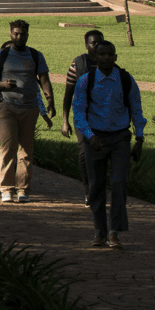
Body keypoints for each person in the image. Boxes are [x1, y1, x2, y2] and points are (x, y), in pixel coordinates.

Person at [73, 40, 145, 249]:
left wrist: (139, 139)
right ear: (94, 58)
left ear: (115, 57)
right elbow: (79, 112)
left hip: (120, 138)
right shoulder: (86, 81)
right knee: (96, 186)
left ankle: (114, 232)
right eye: (101, 54)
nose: (105, 58)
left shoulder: (125, 80)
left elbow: (136, 110)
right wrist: (89, 135)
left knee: (119, 183)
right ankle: (99, 232)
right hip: (95, 139)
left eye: (109, 54)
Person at [0, 19, 55, 202]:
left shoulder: (35, 55)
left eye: (23, 34)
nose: (19, 37)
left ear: (27, 35)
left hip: (29, 107)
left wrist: (50, 100)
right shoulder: (1, 55)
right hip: (7, 107)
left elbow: (44, 80)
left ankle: (23, 189)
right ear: (10, 33)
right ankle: (7, 188)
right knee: (8, 148)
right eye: (16, 33)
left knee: (26, 150)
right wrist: (3, 84)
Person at [61, 28, 108, 197]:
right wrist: (65, 120)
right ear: (86, 45)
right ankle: (88, 191)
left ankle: (99, 188)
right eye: (93, 43)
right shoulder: (78, 64)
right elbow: (68, 94)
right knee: (84, 153)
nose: (97, 46)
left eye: (99, 42)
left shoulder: (109, 65)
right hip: (83, 117)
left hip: (104, 117)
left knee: (102, 154)